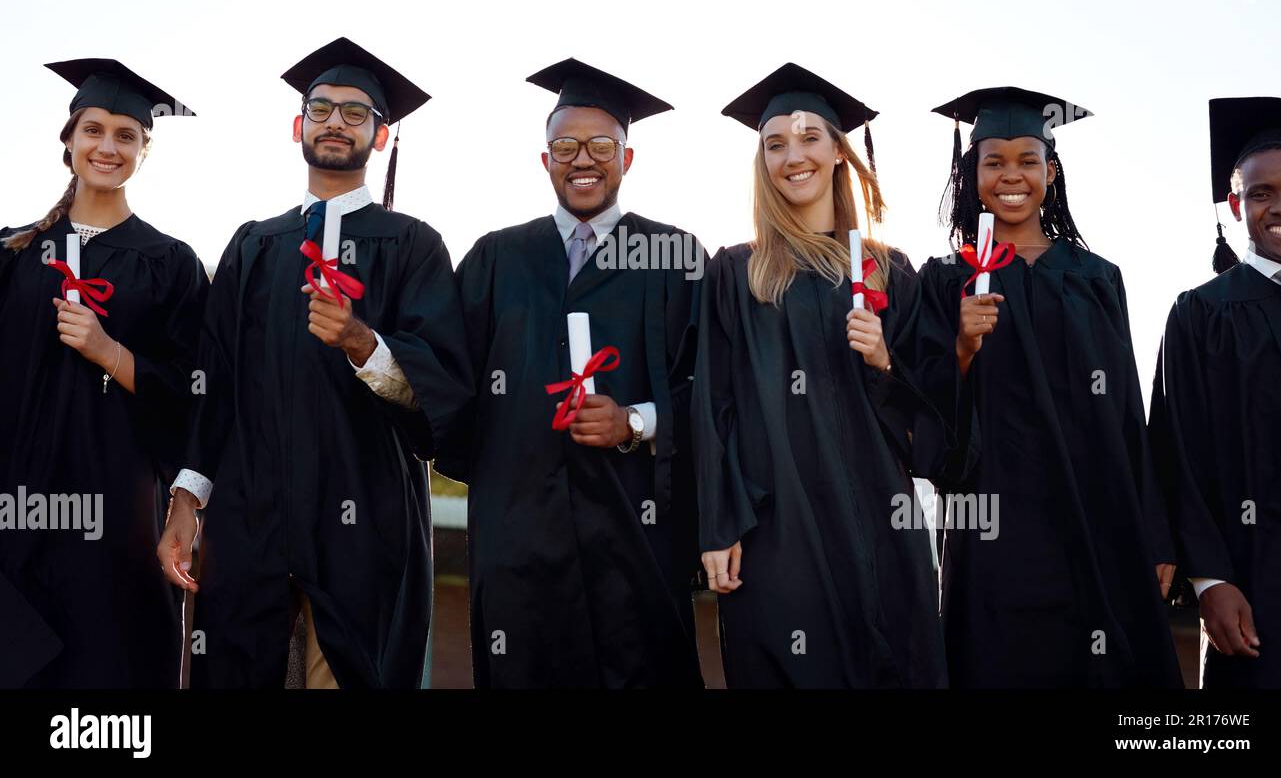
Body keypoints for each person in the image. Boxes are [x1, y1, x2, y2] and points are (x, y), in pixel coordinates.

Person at [156, 37, 474, 688]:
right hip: (251, 517)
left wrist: (362, 342)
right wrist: (185, 503)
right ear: (297, 126)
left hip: (365, 523)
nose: (335, 121)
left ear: (380, 137)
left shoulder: (413, 246)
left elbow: (443, 384)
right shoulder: (254, 246)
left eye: (356, 113)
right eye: (321, 108)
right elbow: (213, 385)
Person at [906, 86, 1182, 687]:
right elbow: (921, 415)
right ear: (970, 175)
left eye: (1028, 160)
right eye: (994, 161)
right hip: (992, 526)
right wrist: (961, 348)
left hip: (1096, 513)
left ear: (1051, 172)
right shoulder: (945, 280)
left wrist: (1153, 530)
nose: (1012, 175)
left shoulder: (1096, 278)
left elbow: (1127, 411)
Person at [441, 58, 705, 687]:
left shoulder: (675, 257)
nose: (582, 159)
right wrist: (366, 343)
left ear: (627, 159)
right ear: (545, 160)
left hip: (636, 544)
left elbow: (716, 393)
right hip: (520, 545)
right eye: (565, 146)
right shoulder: (495, 258)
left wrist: (634, 422)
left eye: (601, 146)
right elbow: (444, 380)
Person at [692, 62, 948, 687]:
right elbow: (712, 408)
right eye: (775, 144)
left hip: (883, 531)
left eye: (809, 138)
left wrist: (885, 363)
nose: (793, 156)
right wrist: (719, 525)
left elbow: (935, 431)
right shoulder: (736, 274)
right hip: (777, 534)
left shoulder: (890, 272)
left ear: (838, 152)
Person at [1, 58, 207, 687]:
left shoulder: (171, 264)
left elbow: (198, 393)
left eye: (126, 135)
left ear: (145, 151)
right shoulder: (11, 254)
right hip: (14, 506)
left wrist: (110, 352)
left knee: (109, 669)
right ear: (68, 140)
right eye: (93, 130)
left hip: (115, 512)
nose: (107, 147)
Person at [1149, 96, 1281, 688]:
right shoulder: (1201, 314)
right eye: (1262, 193)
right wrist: (1210, 580)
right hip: (1255, 584)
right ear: (1235, 205)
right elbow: (1176, 453)